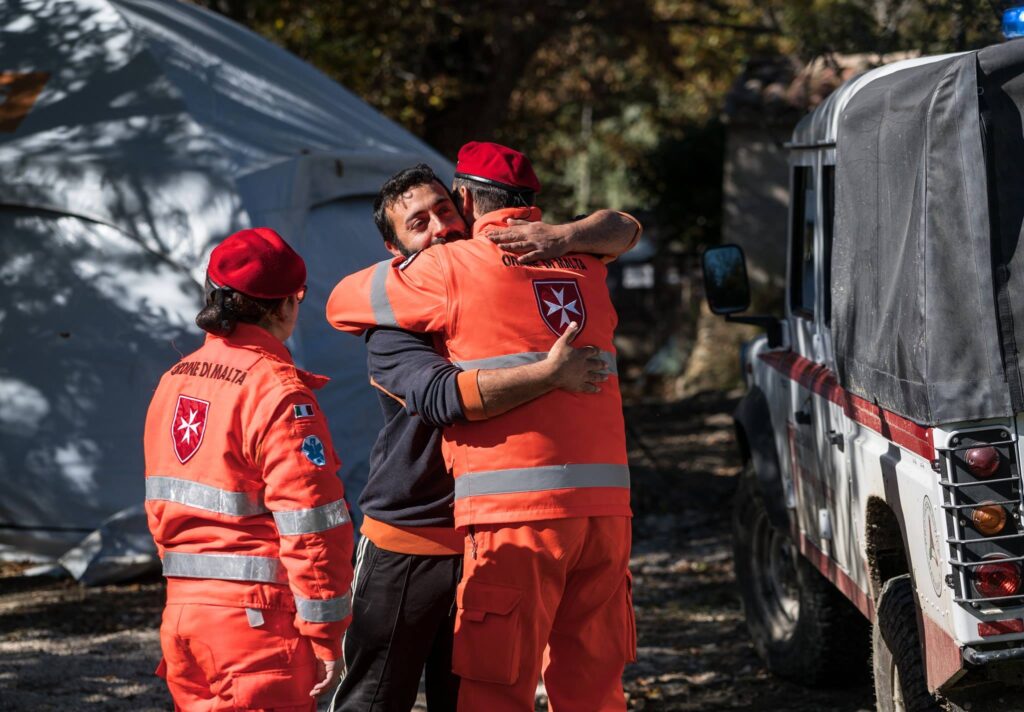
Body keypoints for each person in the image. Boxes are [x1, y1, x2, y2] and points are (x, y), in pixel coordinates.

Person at [327, 142, 636, 712]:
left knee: (493, 692)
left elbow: (340, 301)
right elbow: (624, 227)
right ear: (394, 249)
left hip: (509, 522)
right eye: (419, 223)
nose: (440, 228)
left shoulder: (452, 268)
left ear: (465, 202)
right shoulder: (587, 264)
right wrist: (549, 370)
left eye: (445, 211)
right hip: (443, 531)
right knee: (590, 688)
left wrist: (564, 234)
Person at [144, 227, 354, 711]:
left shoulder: (173, 379)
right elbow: (311, 524)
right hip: (256, 628)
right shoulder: (277, 392)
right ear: (284, 307)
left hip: (183, 618)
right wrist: (327, 633)